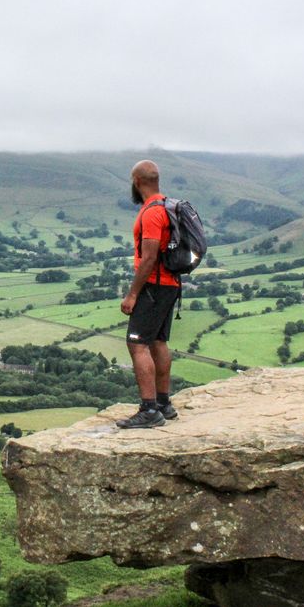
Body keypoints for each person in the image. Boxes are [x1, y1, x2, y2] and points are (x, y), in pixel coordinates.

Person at [117, 159, 180, 429]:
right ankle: (164, 404)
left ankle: (149, 410)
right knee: (158, 342)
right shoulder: (166, 206)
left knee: (137, 344)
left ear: (137, 181)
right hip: (169, 285)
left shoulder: (152, 213)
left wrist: (132, 294)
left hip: (154, 287)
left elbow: (149, 257)